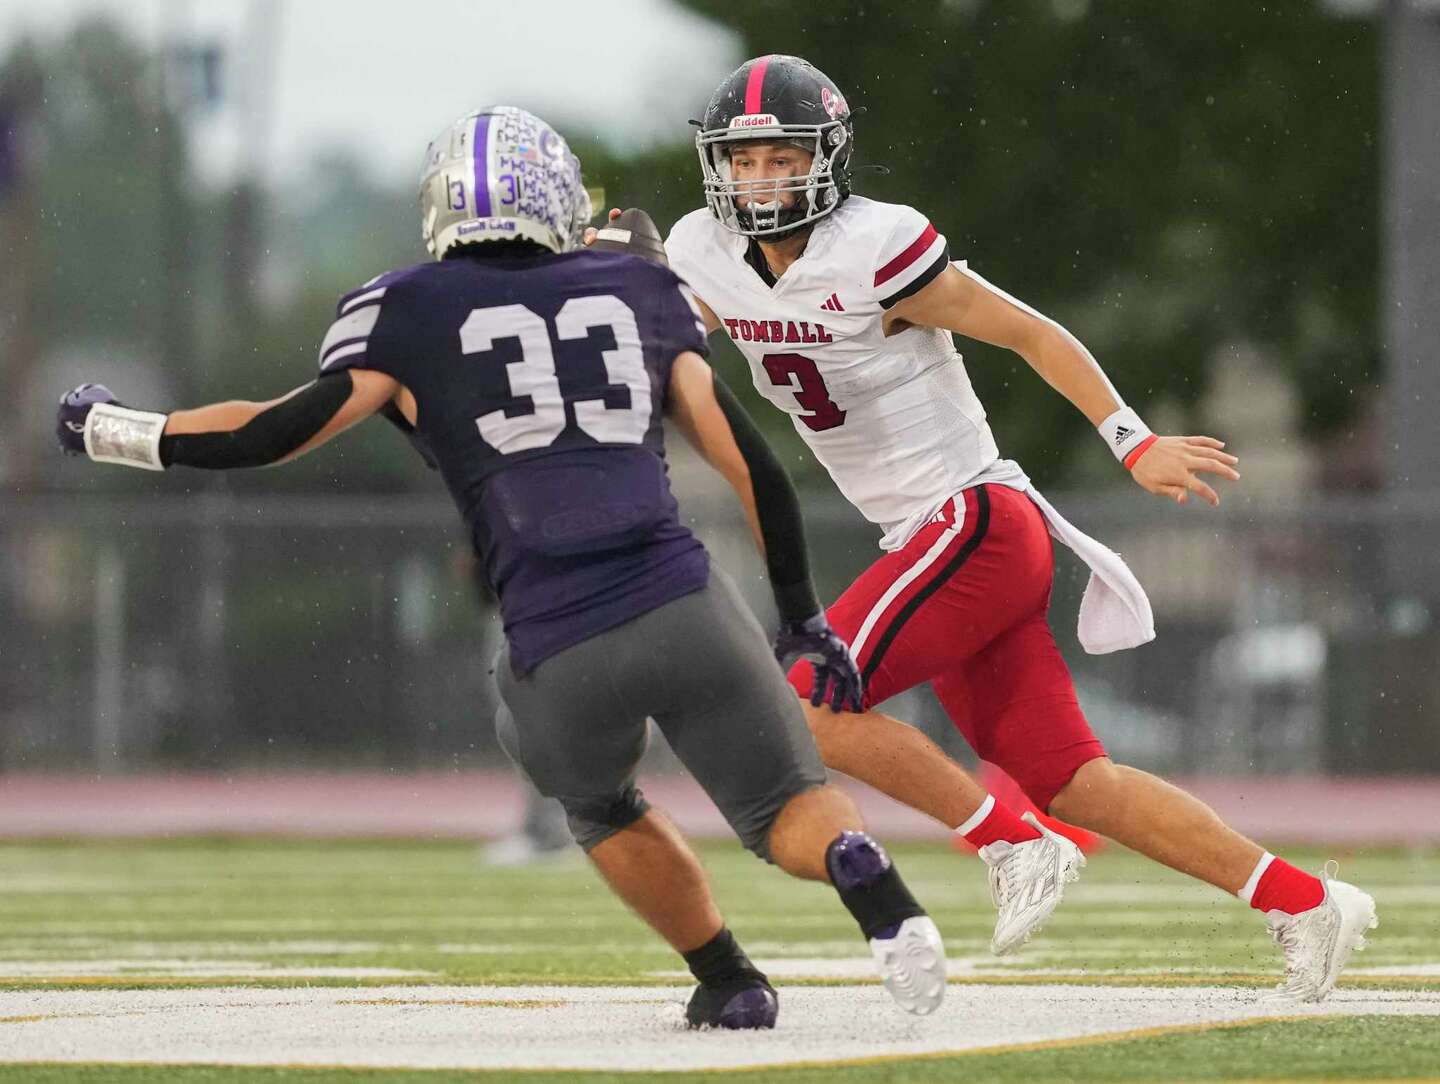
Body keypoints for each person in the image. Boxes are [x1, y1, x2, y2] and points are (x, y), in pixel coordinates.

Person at [55, 106, 949, 1027]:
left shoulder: (404, 310)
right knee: (788, 804)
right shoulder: (638, 288)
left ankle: (728, 979)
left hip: (555, 637)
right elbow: (754, 468)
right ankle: (865, 882)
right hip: (682, 597)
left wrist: (113, 430)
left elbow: (265, 432)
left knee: (599, 805)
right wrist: (802, 615)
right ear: (559, 196)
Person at [654, 55, 1377, 1001]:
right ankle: (1308, 902)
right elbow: (667, 333)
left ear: (825, 159)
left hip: (973, 522)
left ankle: (1009, 841)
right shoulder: (701, 249)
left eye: (781, 157)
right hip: (929, 541)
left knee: (806, 700)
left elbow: (1033, 331)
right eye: (741, 161)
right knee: (1078, 782)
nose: (759, 180)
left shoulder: (877, 247)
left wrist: (1132, 440)